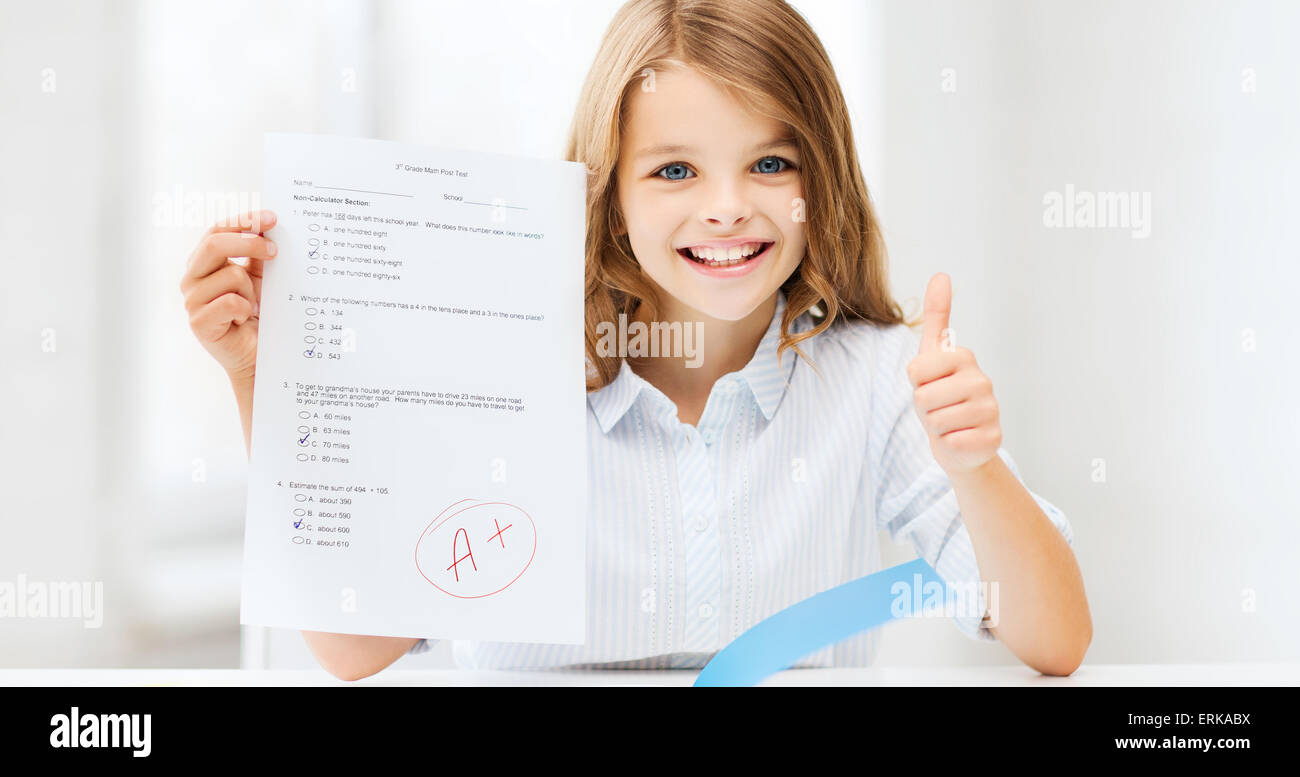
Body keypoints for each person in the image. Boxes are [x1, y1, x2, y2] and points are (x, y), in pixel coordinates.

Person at [179, 0, 1090, 681]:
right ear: (610, 193)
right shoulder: (508, 369)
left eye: (771, 163)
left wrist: (974, 467)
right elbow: (353, 645)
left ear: (826, 179)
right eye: (675, 170)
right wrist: (264, 376)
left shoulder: (878, 379)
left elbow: (1056, 637)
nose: (727, 204)